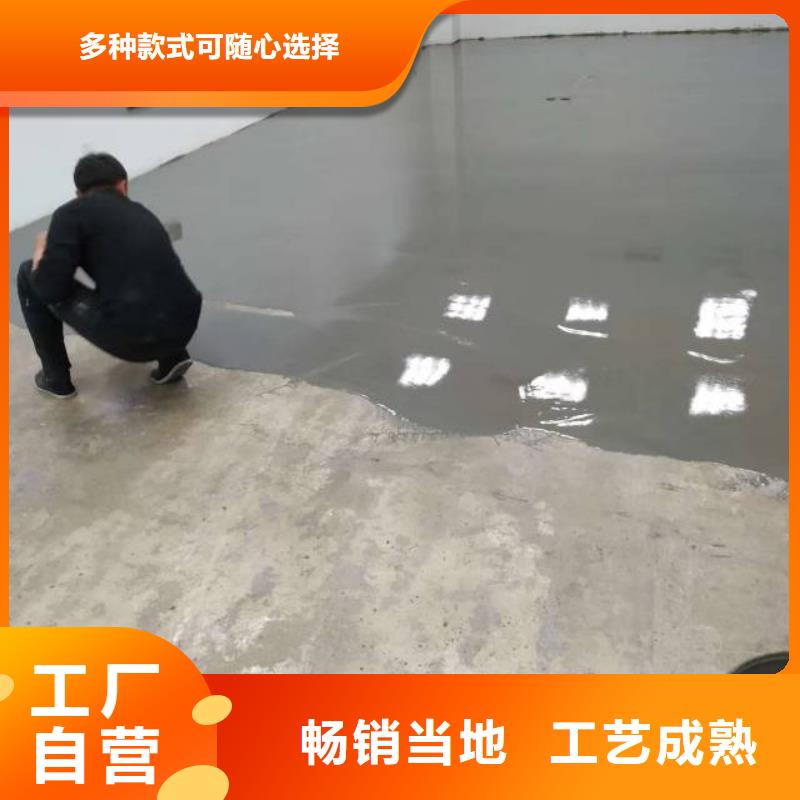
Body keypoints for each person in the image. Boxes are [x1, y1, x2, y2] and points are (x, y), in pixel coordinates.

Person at [17, 152, 202, 398]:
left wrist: (42, 251)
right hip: (186, 323)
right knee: (143, 277)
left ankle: (55, 377)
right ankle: (173, 357)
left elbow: (50, 289)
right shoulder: (141, 212)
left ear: (78, 194)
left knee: (28, 273)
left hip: (136, 340)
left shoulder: (69, 214)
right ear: (123, 186)